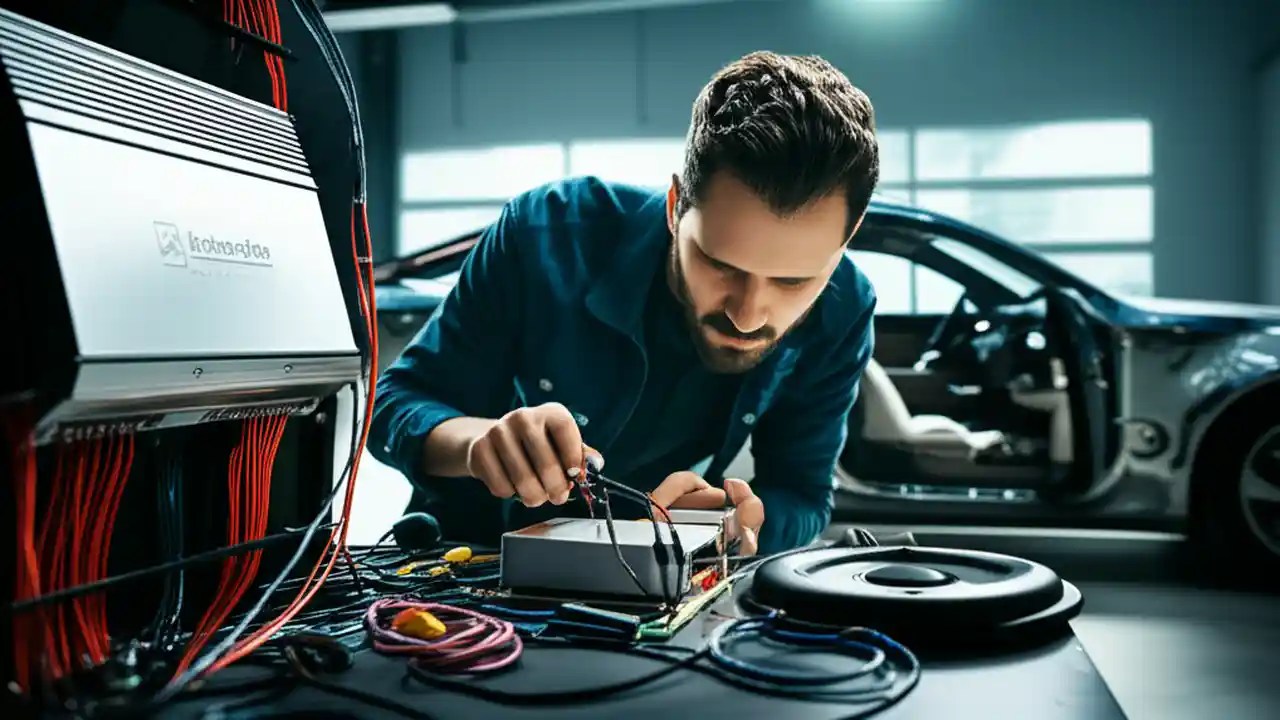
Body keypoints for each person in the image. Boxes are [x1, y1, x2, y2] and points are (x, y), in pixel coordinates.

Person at [369, 51, 879, 556]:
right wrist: (478, 445)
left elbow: (803, 493)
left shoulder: (845, 309)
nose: (746, 317)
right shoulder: (545, 235)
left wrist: (726, 522)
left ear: (849, 235)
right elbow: (393, 405)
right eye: (720, 265)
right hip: (466, 563)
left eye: (793, 281)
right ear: (676, 207)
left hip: (651, 582)